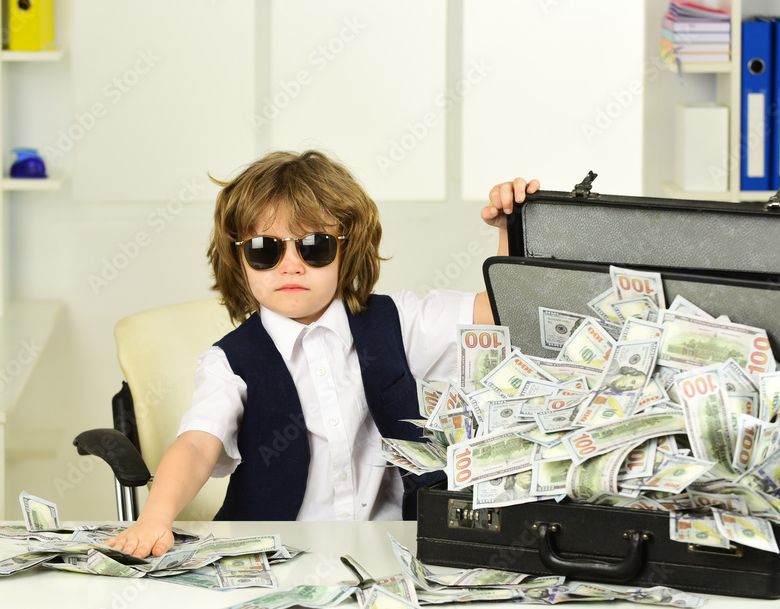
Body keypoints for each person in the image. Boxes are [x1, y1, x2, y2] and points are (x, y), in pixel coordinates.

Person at [105, 150, 539, 558]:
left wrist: (510, 229)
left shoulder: (398, 320)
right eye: (265, 249)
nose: (291, 264)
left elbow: (497, 315)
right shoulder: (229, 362)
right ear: (238, 260)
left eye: (314, 246)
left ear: (347, 250)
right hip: (278, 555)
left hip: (392, 549)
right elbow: (198, 444)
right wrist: (155, 518)